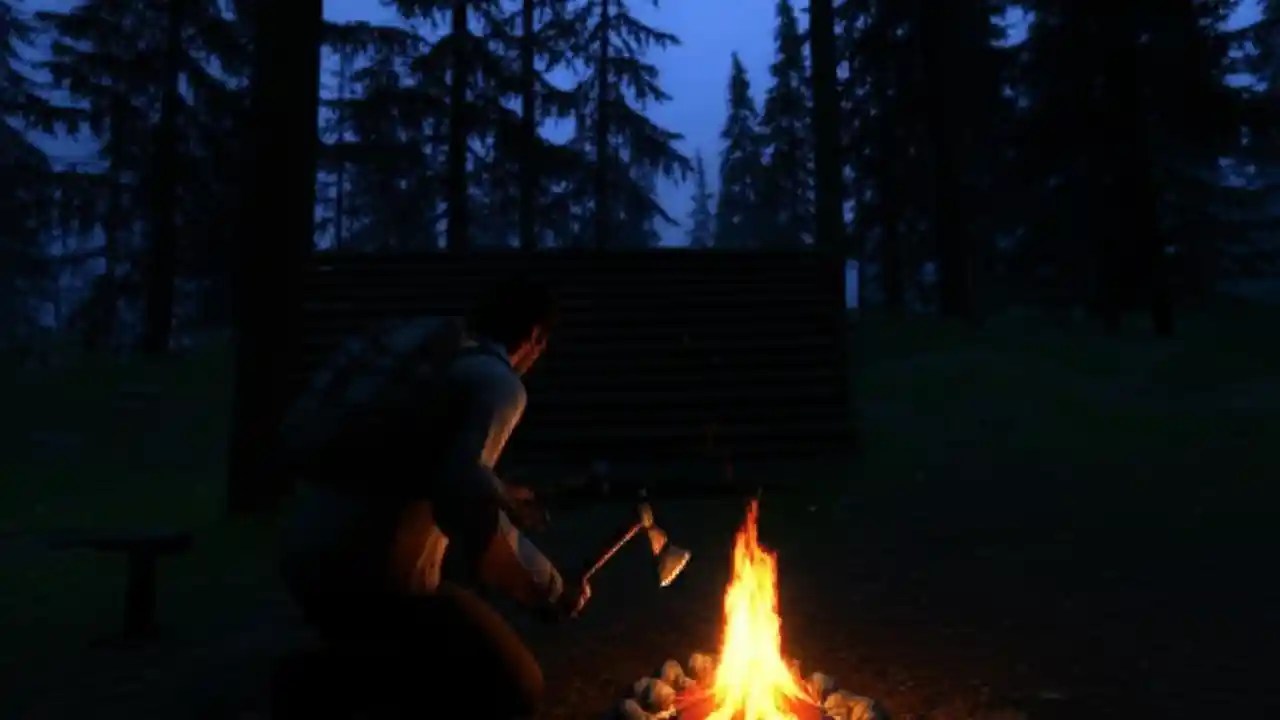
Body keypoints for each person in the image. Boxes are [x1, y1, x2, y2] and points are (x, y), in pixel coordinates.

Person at [278, 275, 587, 718]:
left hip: (301, 555)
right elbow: (463, 505)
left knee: (413, 645)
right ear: (535, 337)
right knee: (515, 687)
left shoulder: (428, 355)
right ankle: (319, 683)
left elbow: (413, 463)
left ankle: (335, 675)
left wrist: (502, 492)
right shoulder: (499, 384)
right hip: (378, 579)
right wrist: (550, 588)